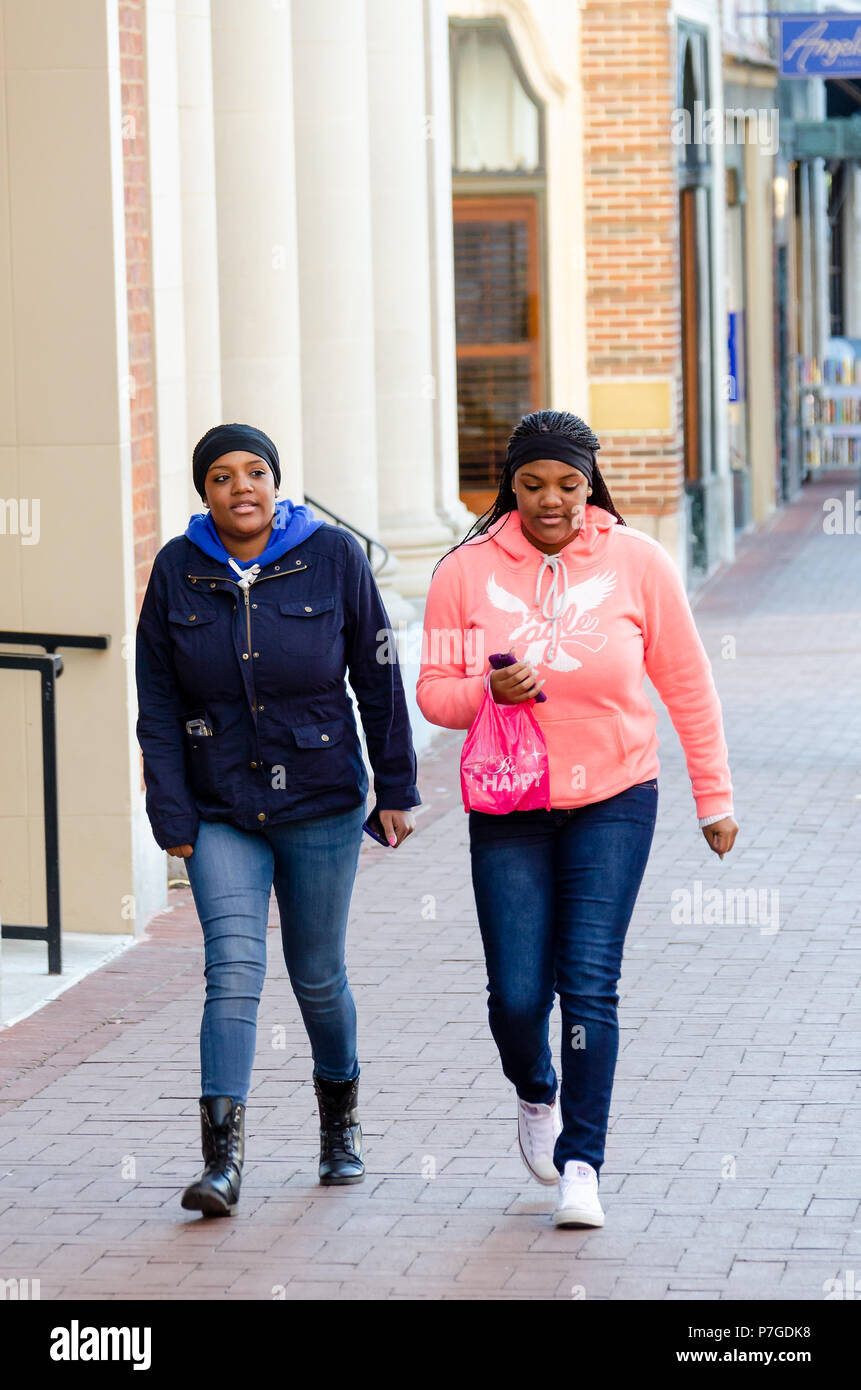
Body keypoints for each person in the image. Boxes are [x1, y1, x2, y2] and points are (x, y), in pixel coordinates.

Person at [416, 409, 737, 1229]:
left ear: (590, 482)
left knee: (588, 984)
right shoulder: (463, 570)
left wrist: (714, 796)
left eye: (568, 483)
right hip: (509, 804)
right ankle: (534, 1092)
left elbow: (687, 684)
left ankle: (582, 1163)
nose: (551, 501)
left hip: (615, 800)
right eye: (532, 485)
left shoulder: (638, 562)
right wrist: (487, 690)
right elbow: (432, 692)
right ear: (509, 487)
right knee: (518, 998)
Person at [135, 423, 419, 1216]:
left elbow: (378, 674)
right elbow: (157, 701)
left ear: (276, 481)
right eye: (220, 477)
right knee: (231, 969)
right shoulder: (176, 570)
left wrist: (395, 787)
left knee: (317, 975)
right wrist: (171, 811)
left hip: (320, 799)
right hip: (219, 805)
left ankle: (340, 1127)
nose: (240, 488)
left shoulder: (333, 557)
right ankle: (220, 1163)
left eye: (254, 471)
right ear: (205, 493)